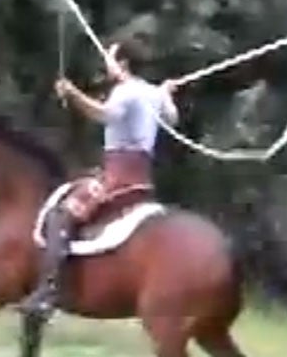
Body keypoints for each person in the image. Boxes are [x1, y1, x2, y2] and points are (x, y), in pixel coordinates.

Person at [18, 36, 180, 319]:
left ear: (123, 63)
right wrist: (165, 93)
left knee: (63, 213)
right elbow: (172, 118)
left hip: (118, 179)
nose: (106, 62)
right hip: (141, 180)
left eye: (111, 57)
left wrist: (72, 93)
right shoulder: (152, 93)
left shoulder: (125, 91)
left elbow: (105, 115)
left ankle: (48, 291)